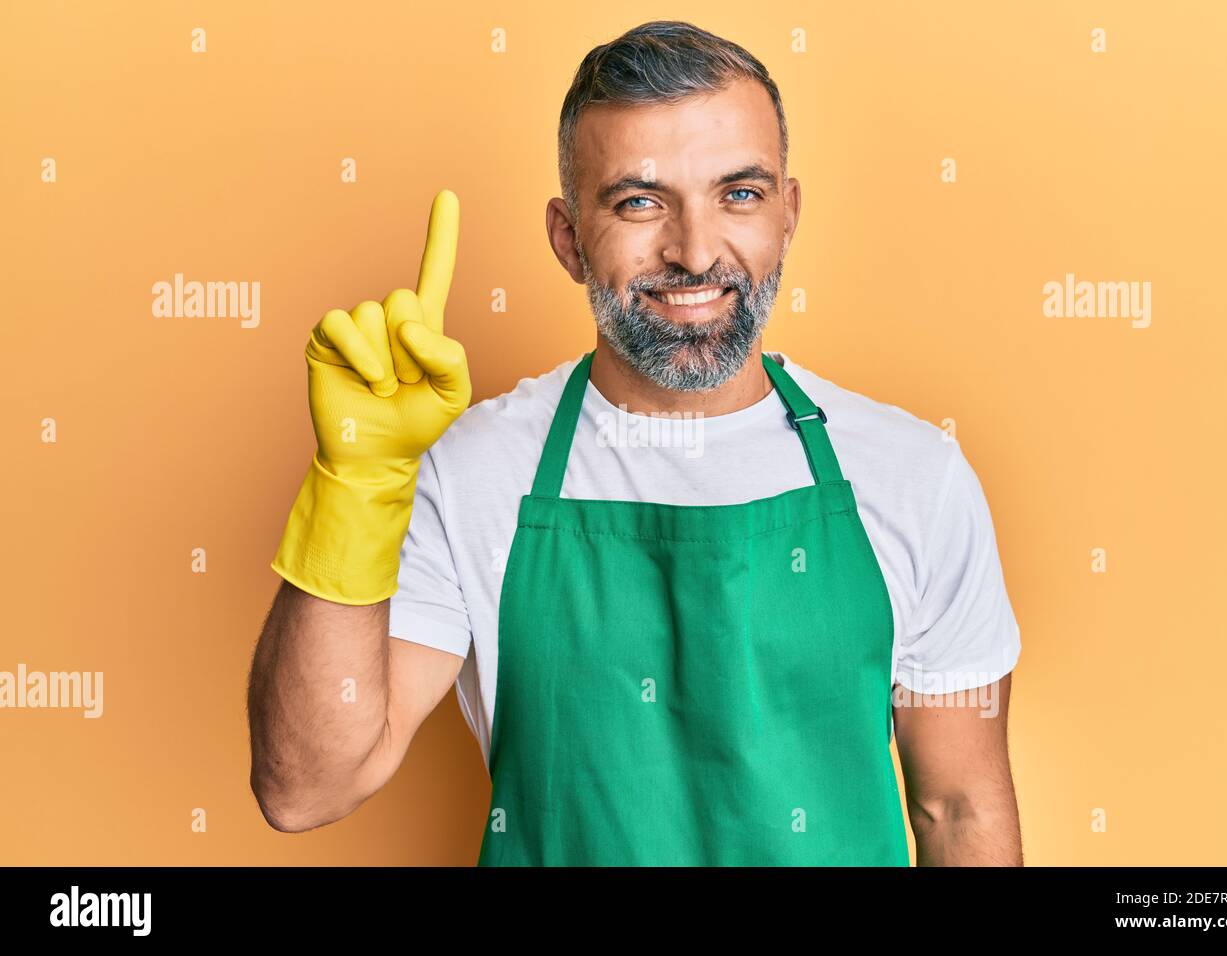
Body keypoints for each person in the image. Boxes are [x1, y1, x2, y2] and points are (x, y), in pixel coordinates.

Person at [249, 20, 1023, 866]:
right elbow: (306, 786)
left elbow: (961, 812)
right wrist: (353, 487)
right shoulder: (474, 471)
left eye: (739, 194)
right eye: (640, 202)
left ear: (788, 215)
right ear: (568, 238)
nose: (694, 252)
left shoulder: (915, 475)